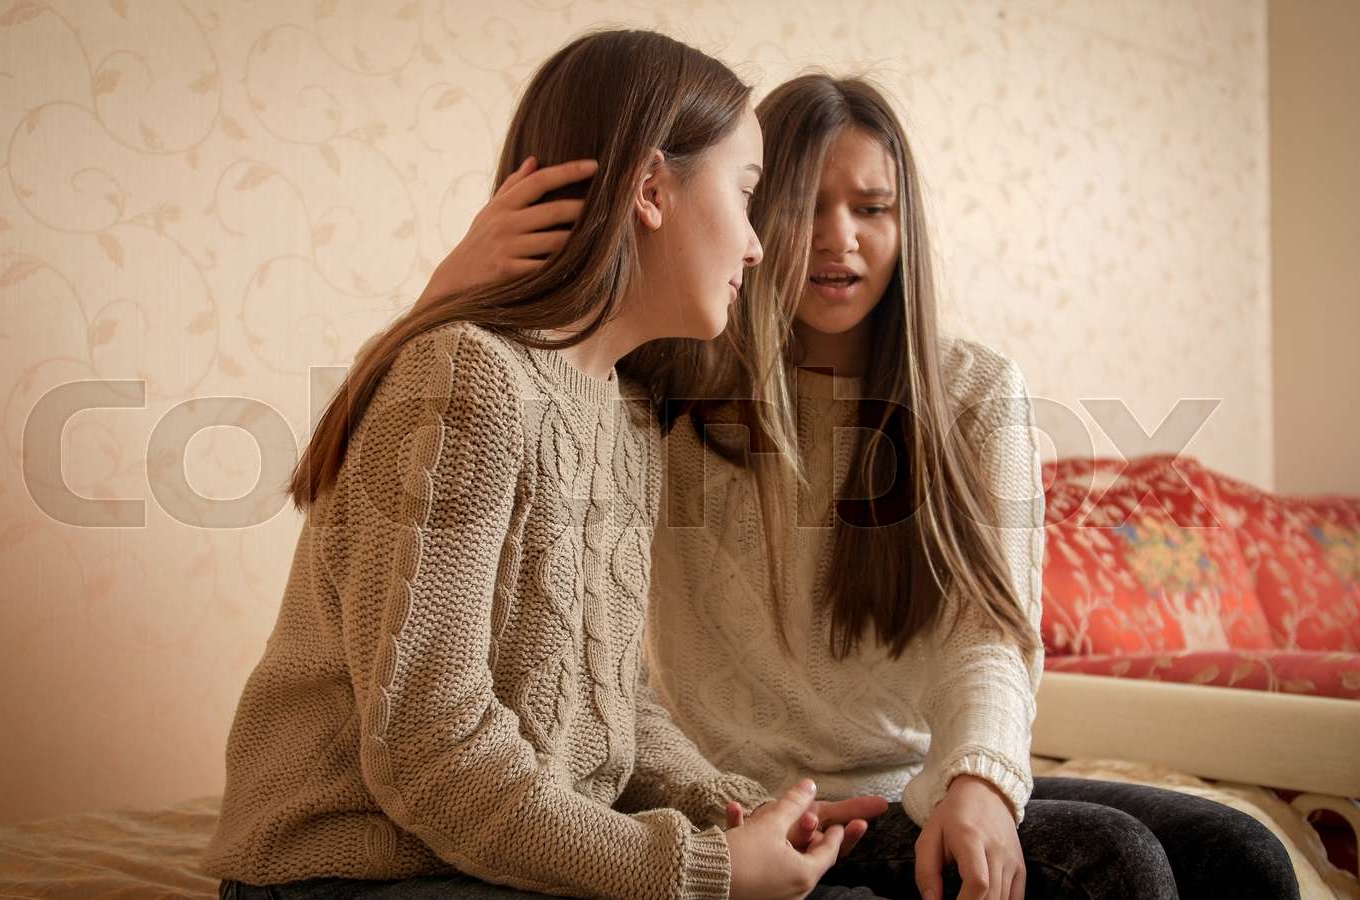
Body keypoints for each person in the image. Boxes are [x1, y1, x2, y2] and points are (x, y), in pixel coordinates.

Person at [428, 71, 1302, 900]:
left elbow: (987, 634)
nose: (839, 237)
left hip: (910, 785)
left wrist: (980, 782)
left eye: (871, 208)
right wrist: (453, 289)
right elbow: (498, 394)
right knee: (1114, 862)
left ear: (903, 222)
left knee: (1242, 854)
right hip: (739, 798)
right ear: (752, 216)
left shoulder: (974, 392)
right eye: (803, 206)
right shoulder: (667, 388)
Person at [203, 31, 883, 900]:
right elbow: (429, 749)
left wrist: (738, 813)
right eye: (747, 195)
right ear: (648, 189)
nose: (757, 247)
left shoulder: (626, 416)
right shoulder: (468, 377)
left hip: (488, 858)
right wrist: (700, 868)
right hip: (350, 870)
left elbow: (612, 705)